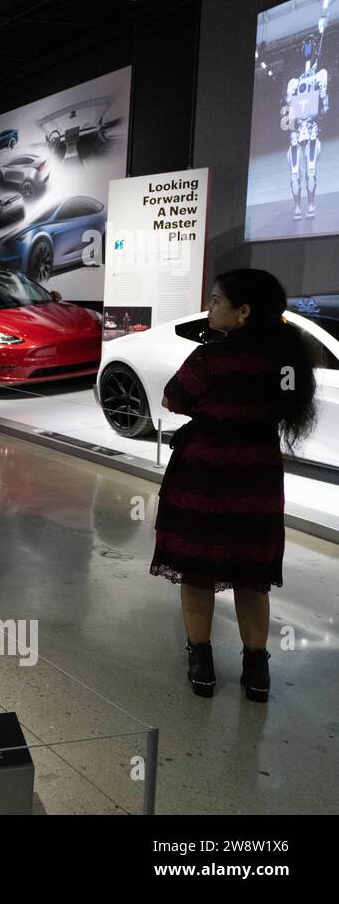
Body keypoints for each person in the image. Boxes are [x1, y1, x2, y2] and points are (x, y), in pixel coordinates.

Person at [151, 268, 318, 703]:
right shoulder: (285, 360)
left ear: (243, 312)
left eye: (217, 300)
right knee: (252, 576)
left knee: (197, 571)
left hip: (203, 477)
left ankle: (202, 666)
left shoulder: (210, 359)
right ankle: (258, 673)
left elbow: (174, 397)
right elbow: (288, 404)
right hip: (258, 479)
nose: (210, 307)